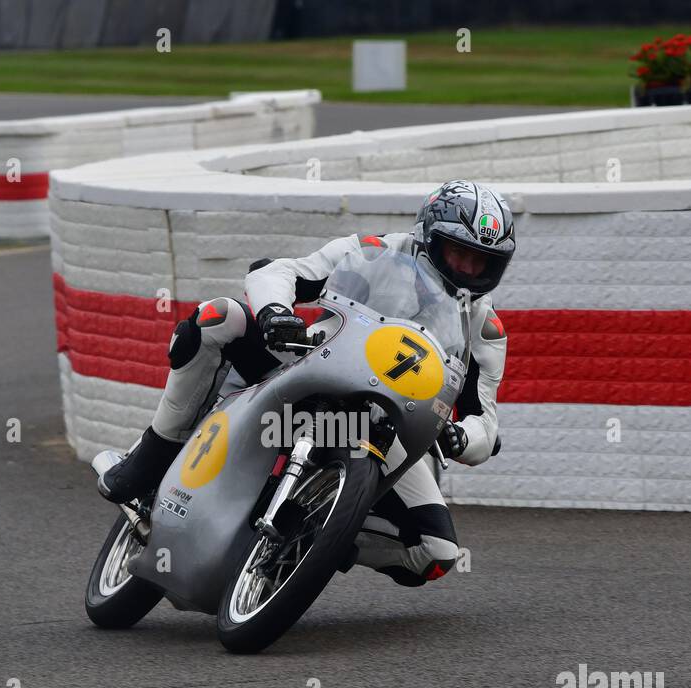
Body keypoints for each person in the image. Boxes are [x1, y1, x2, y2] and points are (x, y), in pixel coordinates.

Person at [98, 180, 515, 586]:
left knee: (436, 552)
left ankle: (321, 537)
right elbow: (278, 272)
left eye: (481, 261)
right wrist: (276, 313)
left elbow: (486, 422)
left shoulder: (485, 328)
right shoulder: (372, 251)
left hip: (385, 426)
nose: (468, 269)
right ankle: (152, 456)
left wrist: (462, 437)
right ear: (429, 235)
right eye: (459, 252)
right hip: (313, 364)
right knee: (217, 317)